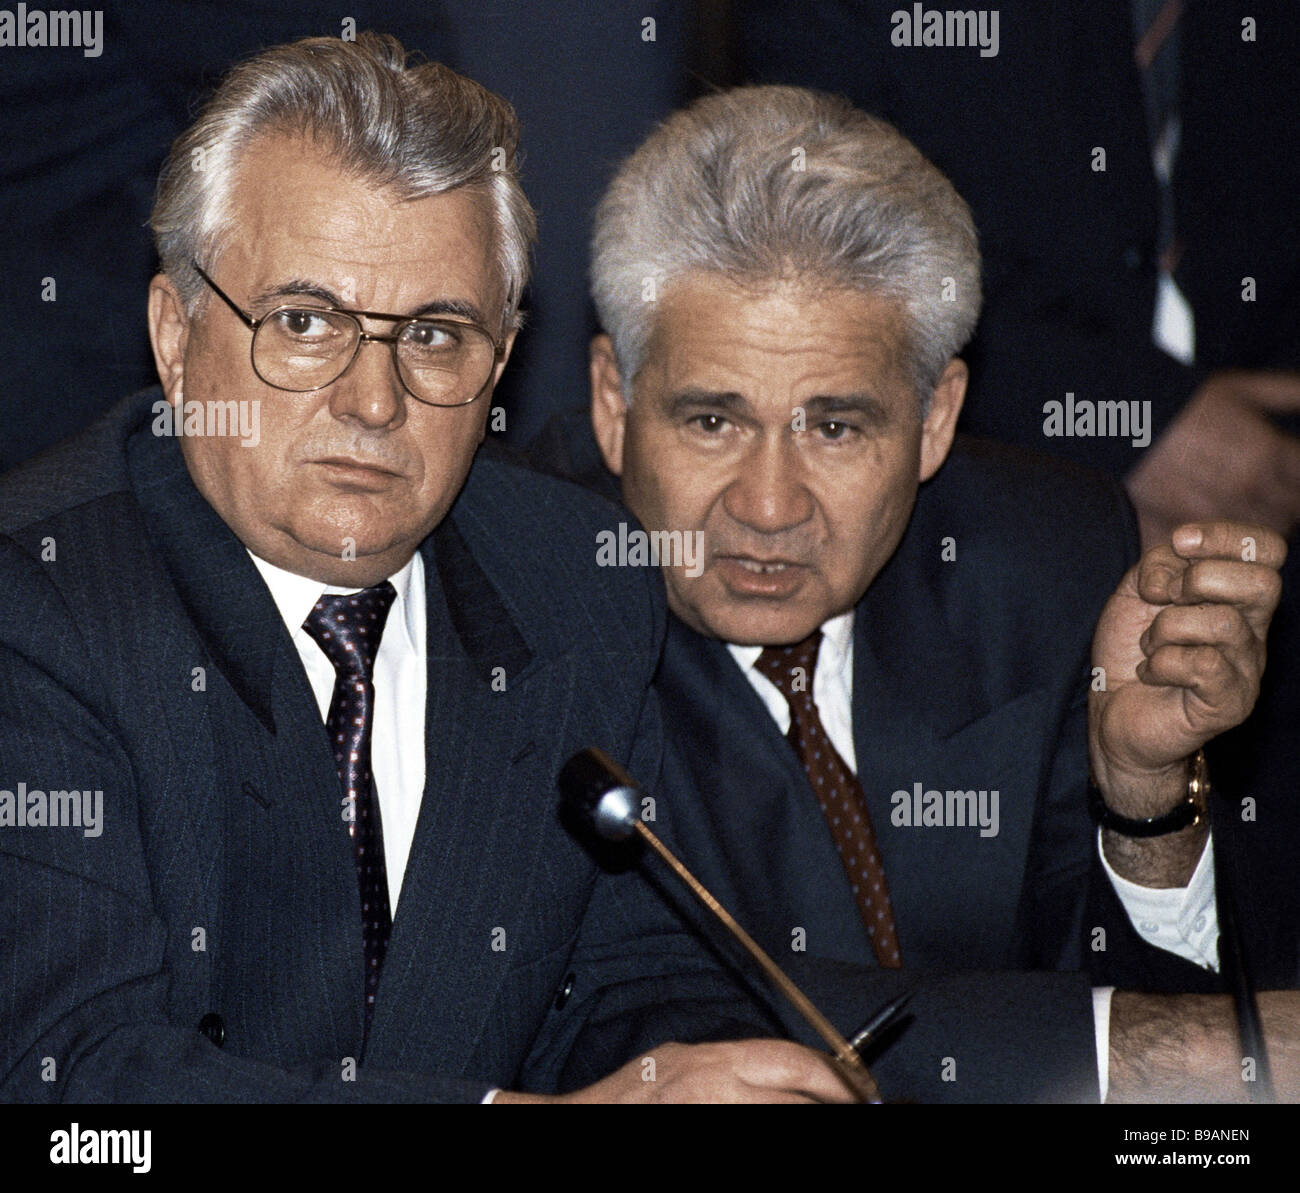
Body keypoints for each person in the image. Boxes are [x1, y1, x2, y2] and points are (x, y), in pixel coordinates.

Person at [0, 35, 853, 1105]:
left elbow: (619, 981)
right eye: (305, 323)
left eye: (436, 335)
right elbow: (78, 1078)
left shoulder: (573, 575)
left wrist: (693, 1073)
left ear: (499, 360)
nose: (373, 400)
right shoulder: (36, 599)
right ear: (177, 338)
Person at [539, 84, 1297, 1102]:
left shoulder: (1048, 558)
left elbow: (1152, 1050)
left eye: (836, 427)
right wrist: (1178, 1052)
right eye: (712, 422)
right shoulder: (512, 587)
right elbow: (636, 1008)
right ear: (611, 401)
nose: (768, 506)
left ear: (936, 418)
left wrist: (1143, 803)